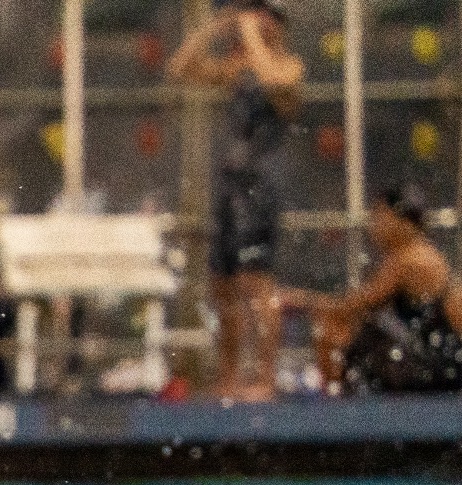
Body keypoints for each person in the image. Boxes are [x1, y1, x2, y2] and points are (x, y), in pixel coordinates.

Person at [167, 0, 302, 402]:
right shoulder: (239, 69)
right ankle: (227, 376)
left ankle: (265, 376)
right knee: (222, 284)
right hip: (230, 185)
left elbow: (274, 83)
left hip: (262, 184)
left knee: (255, 282)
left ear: (275, 24)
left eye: (259, 13)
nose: (250, 20)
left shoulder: (288, 66)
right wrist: (214, 28)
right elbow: (181, 68)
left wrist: (251, 36)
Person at [283, 184, 462, 395]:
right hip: (438, 358)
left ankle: (334, 403)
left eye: (379, 216)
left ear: (402, 221)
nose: (373, 225)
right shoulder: (420, 253)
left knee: (330, 325)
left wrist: (298, 300)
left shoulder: (410, 259)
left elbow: (350, 305)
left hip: (438, 366)